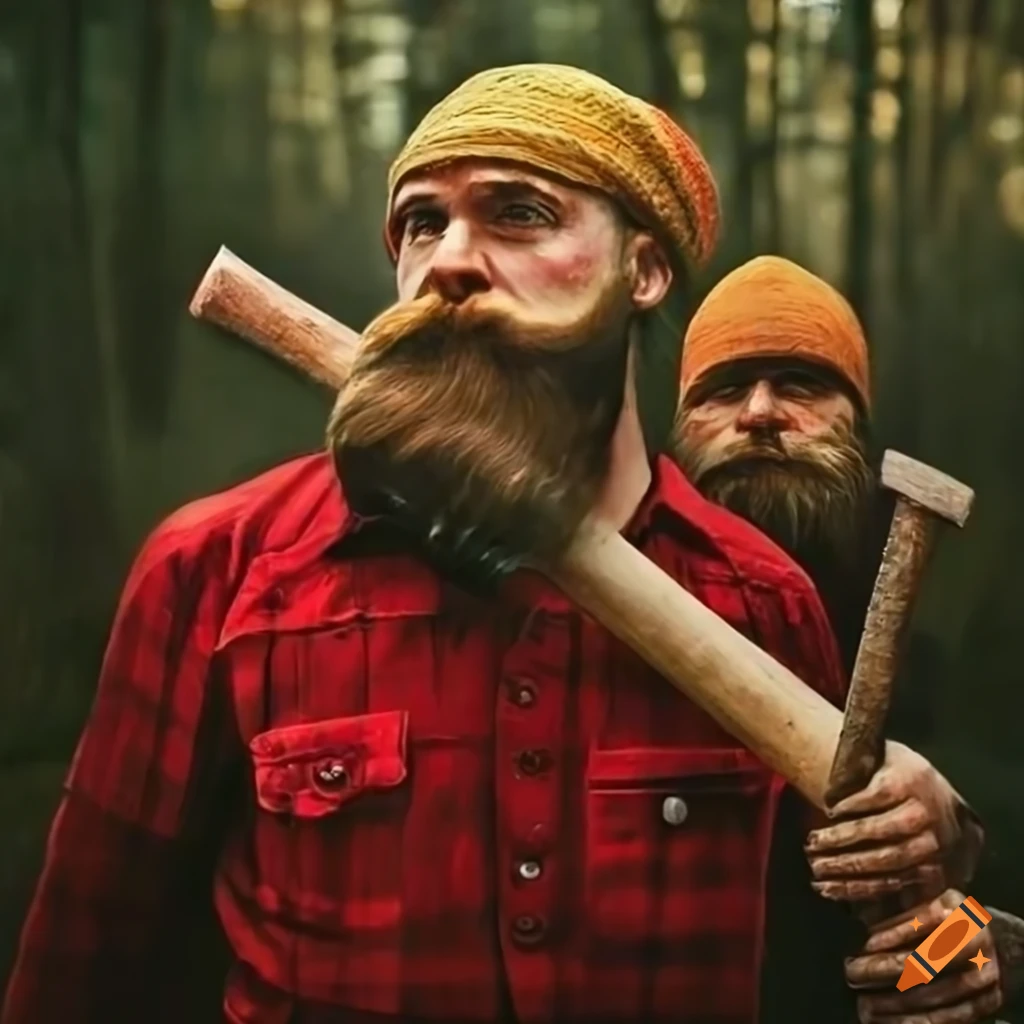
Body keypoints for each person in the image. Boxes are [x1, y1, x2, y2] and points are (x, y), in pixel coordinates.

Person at [1, 69, 978, 1024]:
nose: (450, 260)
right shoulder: (213, 574)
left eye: (517, 213)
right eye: (423, 221)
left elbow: (848, 961)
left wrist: (937, 906)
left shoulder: (760, 598)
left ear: (643, 269)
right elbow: (82, 971)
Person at [672, 254, 1022, 1023]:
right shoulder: (612, 611)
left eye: (801, 385)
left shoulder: (961, 616)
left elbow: (990, 919)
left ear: (859, 429)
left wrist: (965, 943)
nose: (760, 412)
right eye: (724, 390)